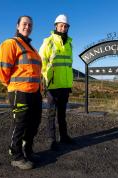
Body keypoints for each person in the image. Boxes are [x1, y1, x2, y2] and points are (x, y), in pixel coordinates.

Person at [0, 15, 42, 170]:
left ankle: (28, 150)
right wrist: (12, 86)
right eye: (24, 24)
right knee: (20, 124)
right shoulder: (11, 43)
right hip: (19, 92)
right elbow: (2, 71)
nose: (27, 27)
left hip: (35, 93)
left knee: (34, 124)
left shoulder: (32, 48)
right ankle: (16, 156)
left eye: (30, 25)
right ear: (17, 25)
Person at [39, 14, 74, 150]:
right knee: (51, 113)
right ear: (56, 26)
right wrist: (47, 78)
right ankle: (52, 140)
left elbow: (68, 65)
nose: (63, 28)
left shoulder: (69, 43)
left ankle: (64, 137)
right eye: (61, 25)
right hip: (53, 85)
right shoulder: (49, 41)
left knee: (62, 114)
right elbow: (42, 62)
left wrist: (69, 83)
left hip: (65, 85)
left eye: (66, 26)